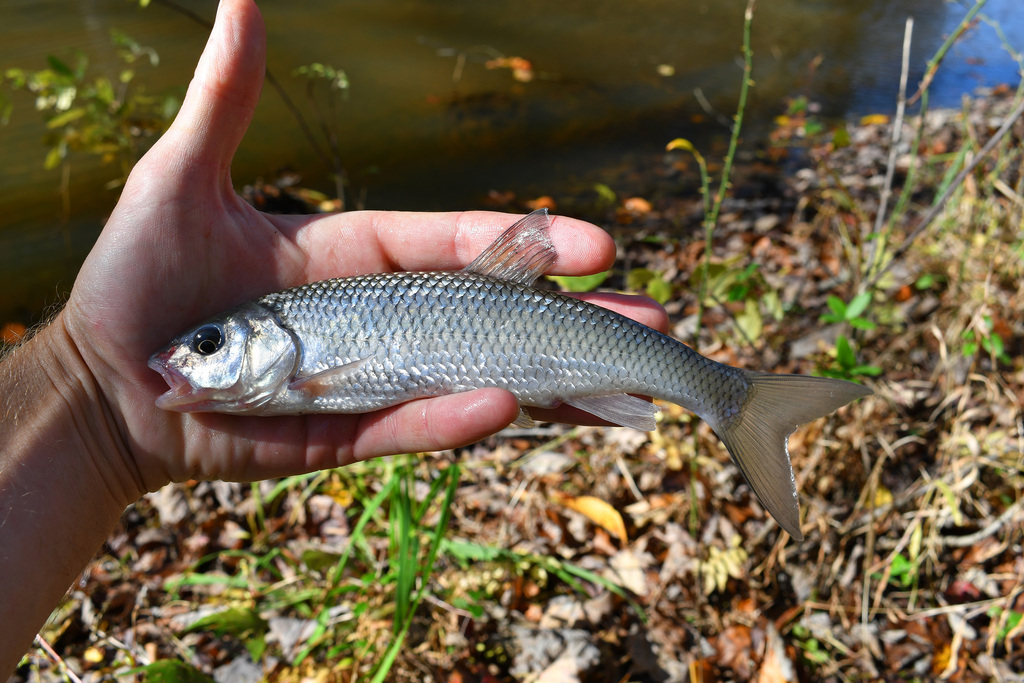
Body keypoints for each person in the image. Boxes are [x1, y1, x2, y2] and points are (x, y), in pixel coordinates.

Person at [0, 0, 668, 673]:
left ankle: (720, 395)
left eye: (208, 343)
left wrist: (84, 391)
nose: (182, 357)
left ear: (263, 337)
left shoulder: (293, 361)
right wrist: (88, 387)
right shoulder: (254, 359)